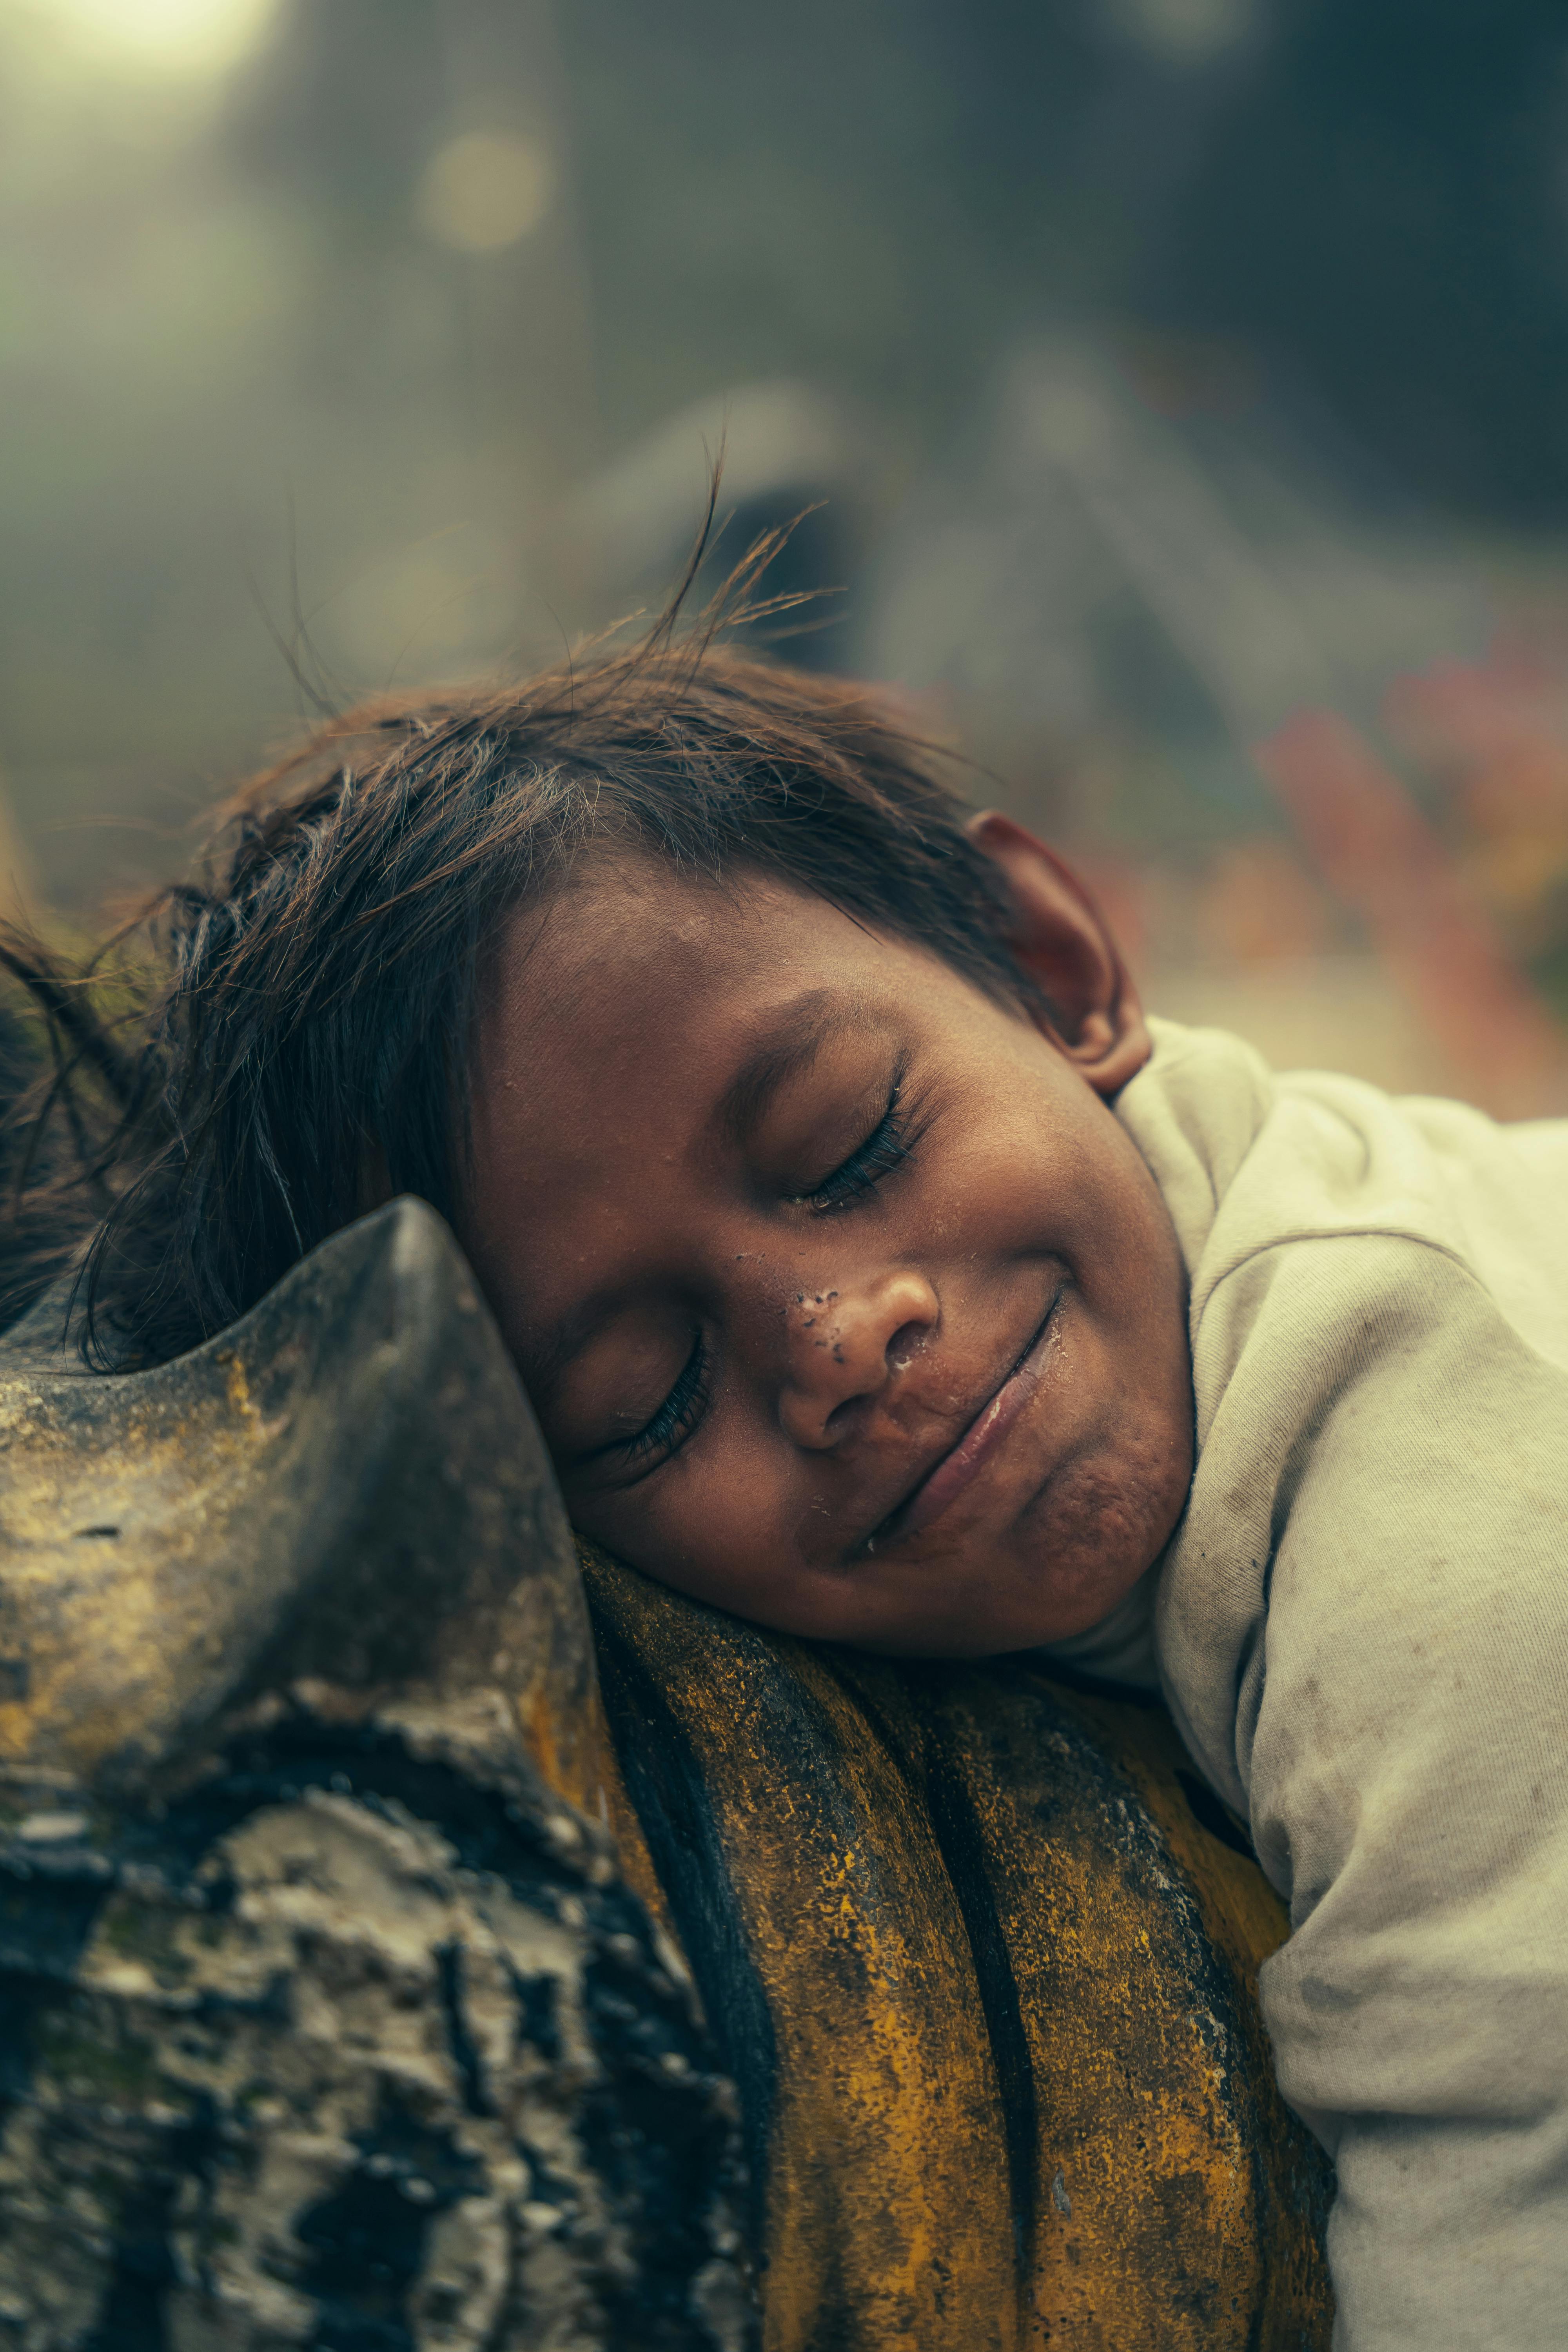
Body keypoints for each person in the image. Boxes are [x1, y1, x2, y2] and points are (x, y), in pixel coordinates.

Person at [3, 564, 1566, 2351]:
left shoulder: (1431, 1502)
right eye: (646, 1404)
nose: (838, 1341)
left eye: (845, 1148)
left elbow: (1516, 2194)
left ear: (1054, 970)